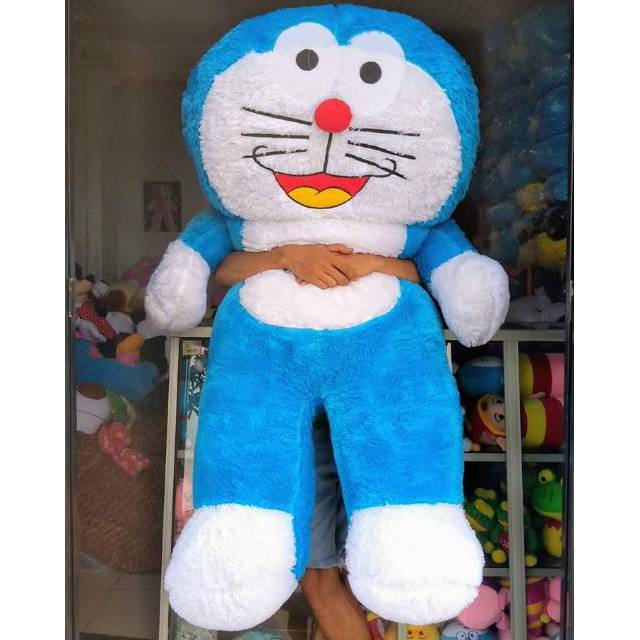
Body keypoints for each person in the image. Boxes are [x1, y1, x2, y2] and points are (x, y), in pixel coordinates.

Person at [213, 244, 419, 640]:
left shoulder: (383, 233)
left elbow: (425, 272)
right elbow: (224, 269)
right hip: (326, 426)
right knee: (336, 568)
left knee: (338, 570)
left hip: (366, 421)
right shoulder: (275, 231)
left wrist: (367, 264)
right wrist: (287, 256)